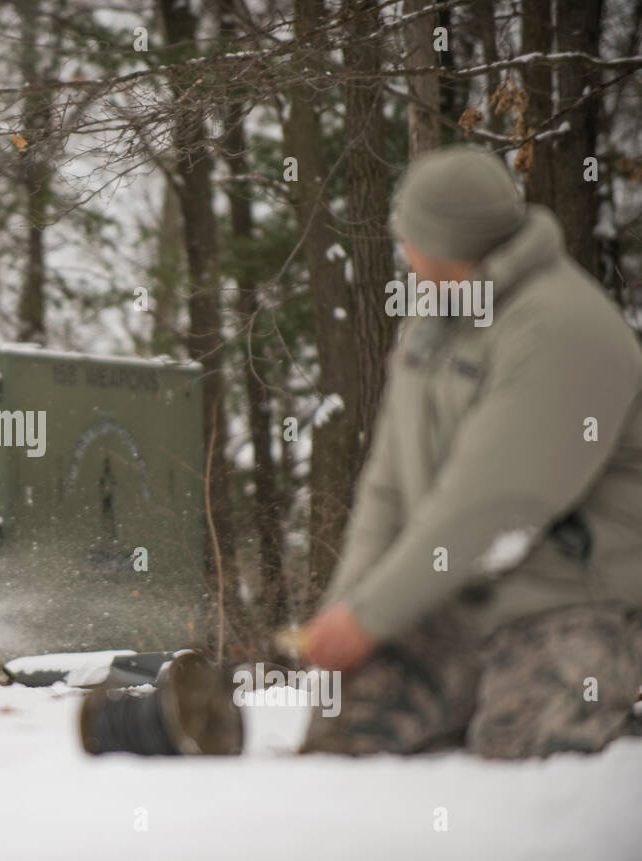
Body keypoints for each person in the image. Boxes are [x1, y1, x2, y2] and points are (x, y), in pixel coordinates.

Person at [81, 145, 642, 759]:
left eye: (410, 235)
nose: (402, 250)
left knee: (527, 751)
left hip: (576, 605)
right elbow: (389, 489)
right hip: (451, 602)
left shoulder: (564, 328)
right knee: (343, 740)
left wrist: (372, 616)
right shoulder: (433, 323)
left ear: (449, 243)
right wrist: (346, 613)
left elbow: (494, 504)